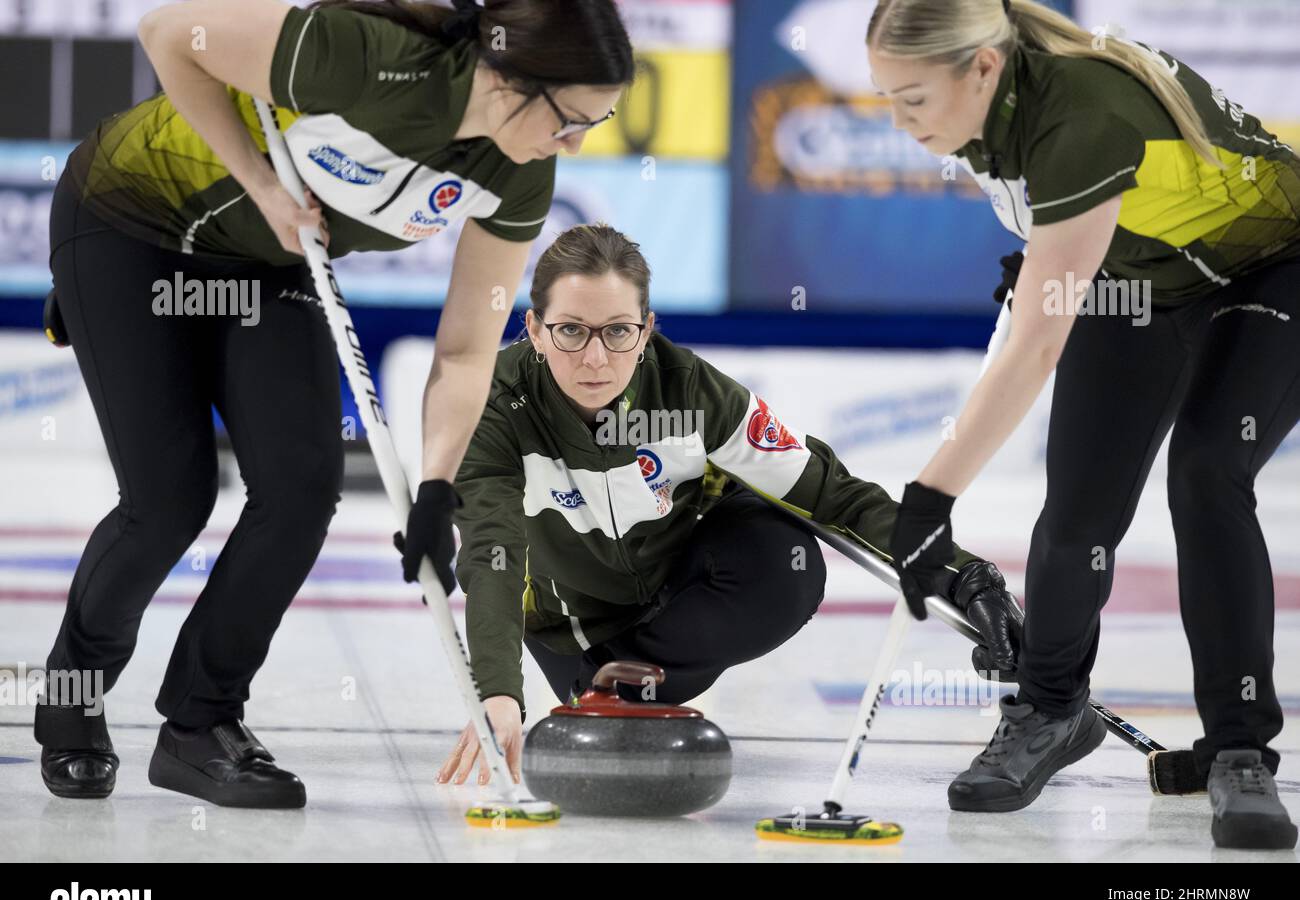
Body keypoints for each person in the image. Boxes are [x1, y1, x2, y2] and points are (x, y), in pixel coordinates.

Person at [34, 0, 632, 808]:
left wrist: (437, 489)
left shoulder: (520, 173)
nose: (577, 144)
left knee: (303, 487)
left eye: (600, 121)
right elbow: (169, 36)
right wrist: (260, 185)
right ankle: (71, 702)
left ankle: (199, 723)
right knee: (168, 502)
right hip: (129, 219)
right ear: (509, 78)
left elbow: (464, 350)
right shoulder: (371, 60)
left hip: (269, 262)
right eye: (571, 120)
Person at [869, 0, 1300, 848]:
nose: (899, 121)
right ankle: (1051, 708)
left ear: (981, 69)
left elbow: (1032, 350)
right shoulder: (995, 114)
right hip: (1144, 283)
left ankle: (1238, 748)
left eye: (911, 99)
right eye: (885, 98)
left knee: (1208, 470)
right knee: (1079, 506)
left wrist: (927, 498)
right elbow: (1065, 249)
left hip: (1275, 265)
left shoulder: (1079, 111)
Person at [434, 223, 1024, 786]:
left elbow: (833, 495)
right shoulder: (492, 408)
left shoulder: (689, 392)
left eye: (617, 331)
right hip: (573, 632)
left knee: (786, 562)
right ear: (535, 330)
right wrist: (498, 692)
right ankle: (606, 690)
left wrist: (968, 579)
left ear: (646, 329)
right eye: (571, 331)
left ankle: (624, 690)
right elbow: (492, 554)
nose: (595, 358)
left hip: (687, 600)